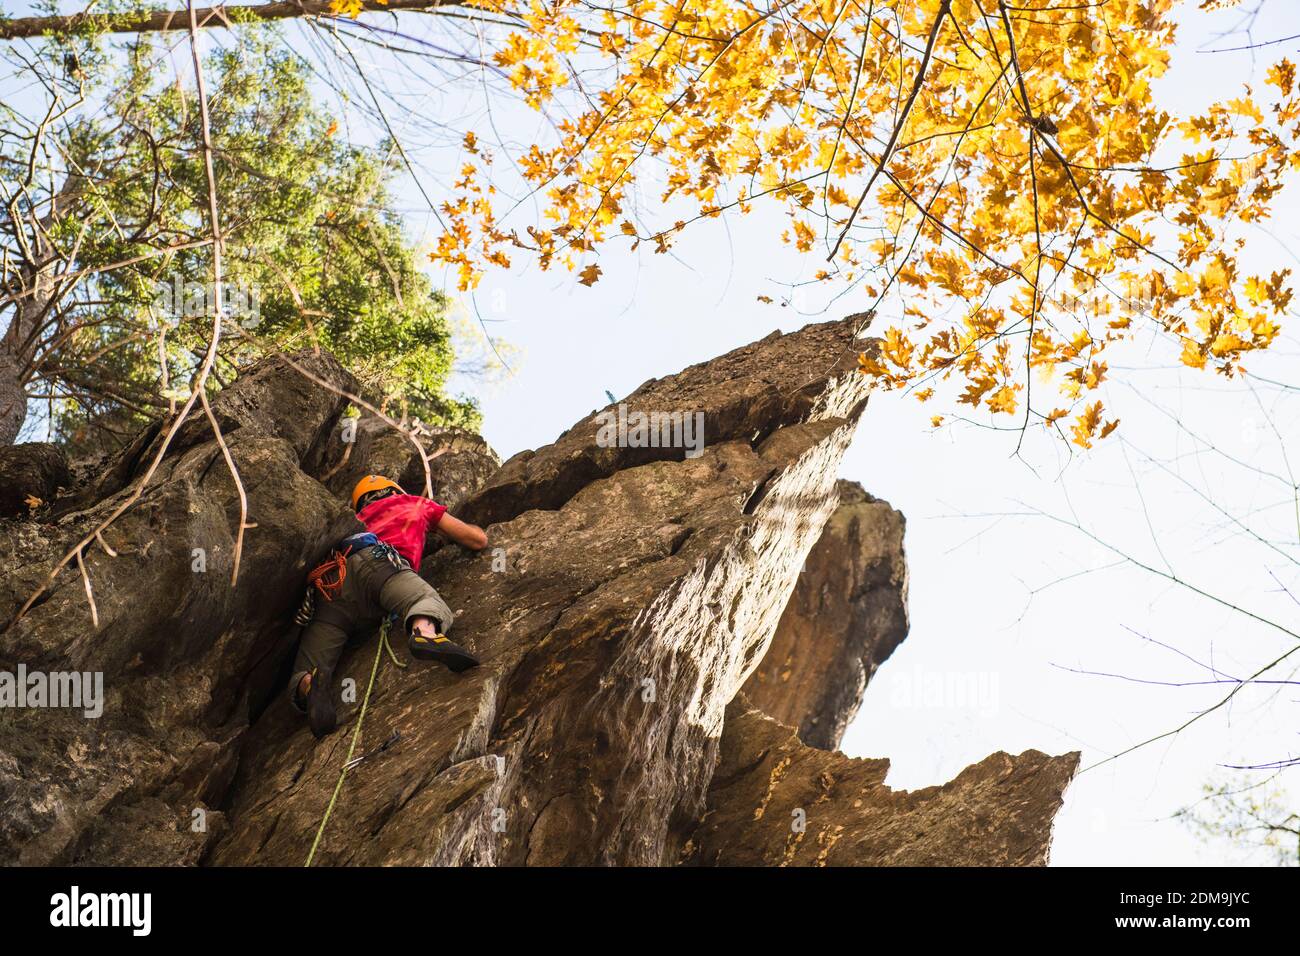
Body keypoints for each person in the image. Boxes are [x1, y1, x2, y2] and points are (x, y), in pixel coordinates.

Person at [290, 474, 489, 738]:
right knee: (423, 600)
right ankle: (425, 634)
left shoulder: (357, 518)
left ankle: (309, 685)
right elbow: (476, 540)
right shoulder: (415, 503)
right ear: (394, 490)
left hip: (331, 585)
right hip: (379, 566)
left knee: (309, 663)